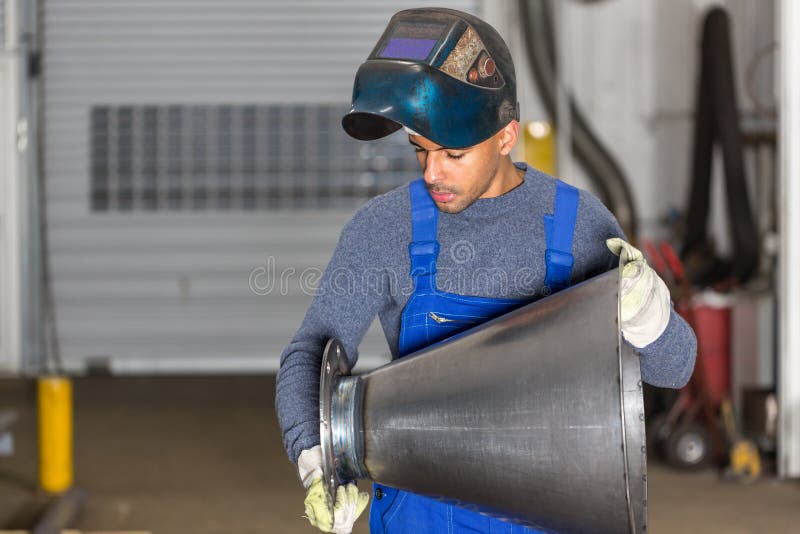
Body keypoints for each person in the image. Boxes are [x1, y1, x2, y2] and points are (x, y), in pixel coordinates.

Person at [276, 8, 696, 534]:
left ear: (505, 136)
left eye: (454, 154)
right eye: (419, 150)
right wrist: (316, 456)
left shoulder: (579, 227)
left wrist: (649, 317)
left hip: (549, 514)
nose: (433, 173)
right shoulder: (384, 229)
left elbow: (674, 369)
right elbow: (310, 351)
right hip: (422, 517)